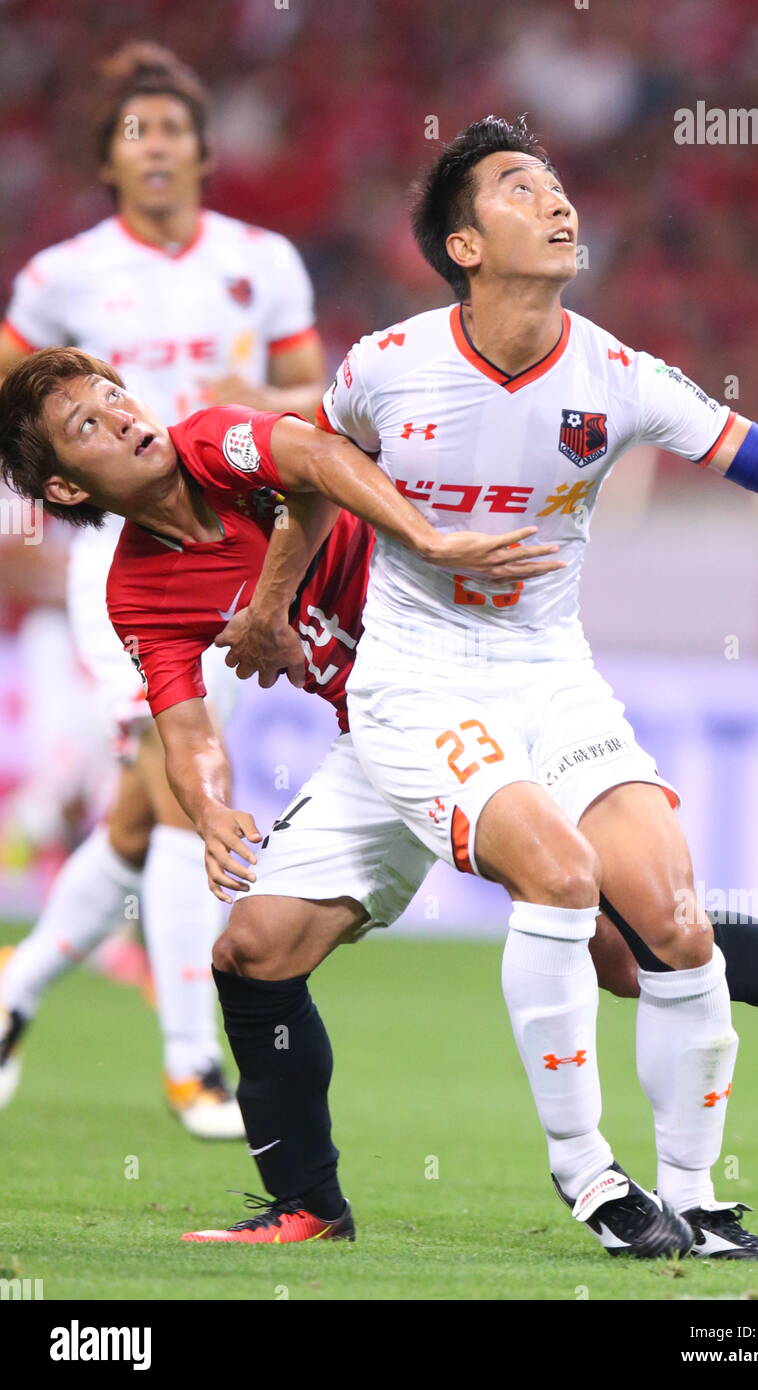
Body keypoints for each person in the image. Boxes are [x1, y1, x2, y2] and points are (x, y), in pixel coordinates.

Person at [2, 350, 758, 1256]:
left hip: (469, 680)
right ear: (64, 491)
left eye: (114, 395)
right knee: (252, 949)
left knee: (630, 949)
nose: (123, 417)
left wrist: (407, 545)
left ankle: (630, 1160)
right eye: (87, 425)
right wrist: (212, 811)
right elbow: (185, 734)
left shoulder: (215, 444)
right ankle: (307, 1206)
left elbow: (325, 460)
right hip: (379, 735)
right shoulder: (134, 589)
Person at [0, 43, 326, 1135]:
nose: (155, 149)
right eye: (134, 133)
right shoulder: (60, 278)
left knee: (150, 806)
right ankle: (194, 1062)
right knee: (181, 782)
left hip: (229, 536)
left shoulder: (262, 261)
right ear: (108, 160)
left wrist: (257, 393)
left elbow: (311, 388)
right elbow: (10, 420)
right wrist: (17, 531)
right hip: (121, 556)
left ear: (201, 149)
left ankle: (14, 990)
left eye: (172, 130)